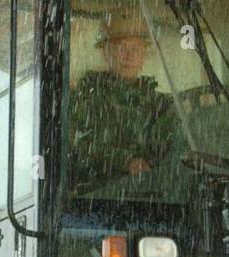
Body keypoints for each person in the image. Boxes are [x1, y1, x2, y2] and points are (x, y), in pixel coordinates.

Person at [67, 8, 177, 193]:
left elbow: (171, 150)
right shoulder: (87, 95)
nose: (129, 56)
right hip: (97, 197)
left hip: (152, 194)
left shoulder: (160, 104)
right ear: (106, 53)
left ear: (144, 55)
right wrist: (125, 161)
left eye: (136, 49)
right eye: (121, 48)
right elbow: (76, 146)